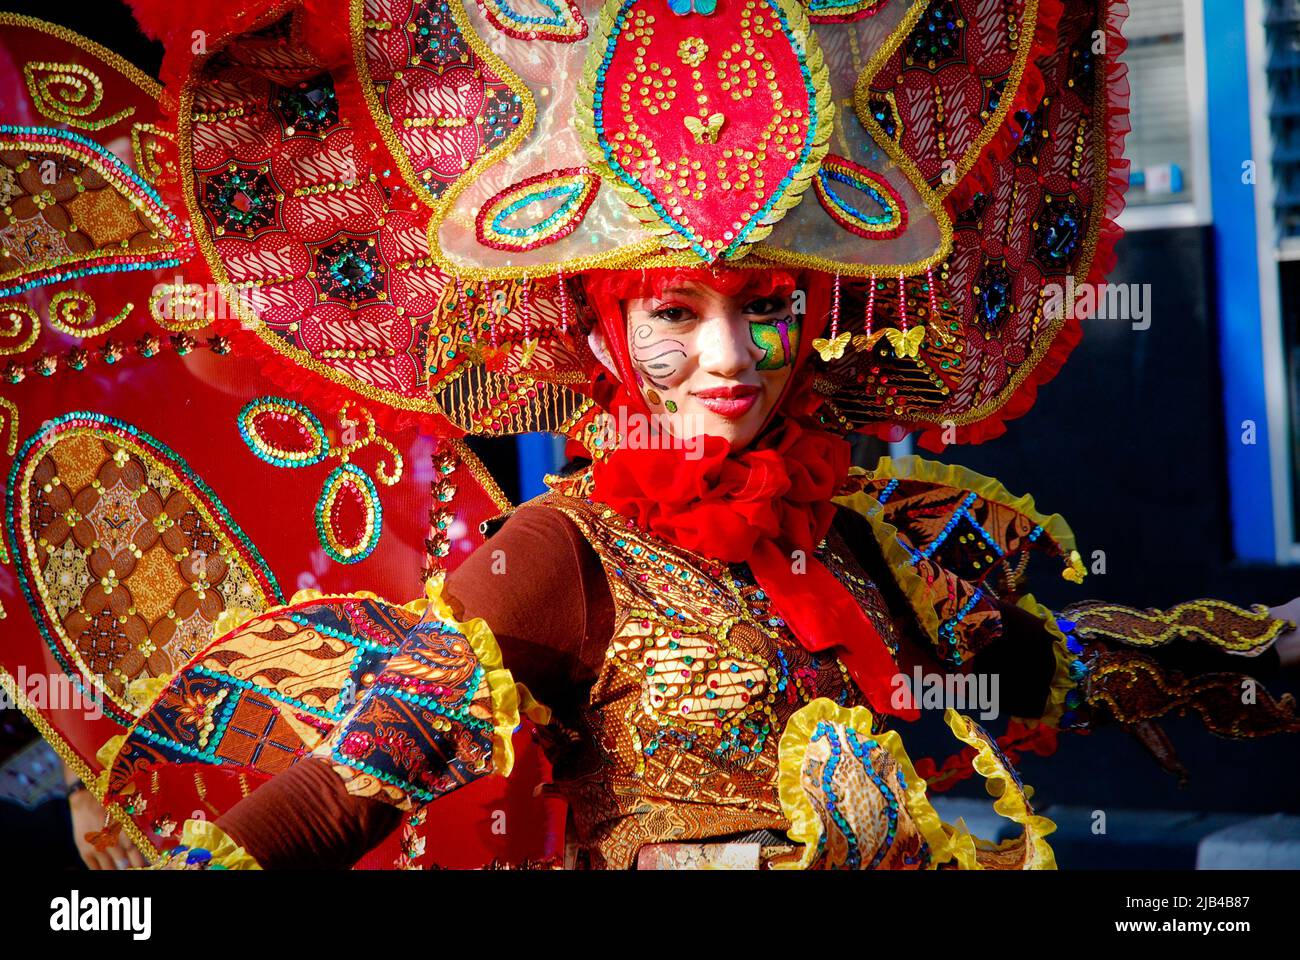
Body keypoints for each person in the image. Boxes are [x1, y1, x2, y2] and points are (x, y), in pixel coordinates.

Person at [149, 268, 1300, 870]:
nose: (730, 356)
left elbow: (1014, 677)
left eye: (762, 309)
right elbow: (346, 792)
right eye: (676, 314)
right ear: (601, 338)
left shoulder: (858, 529)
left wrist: (1247, 654)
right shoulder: (559, 556)